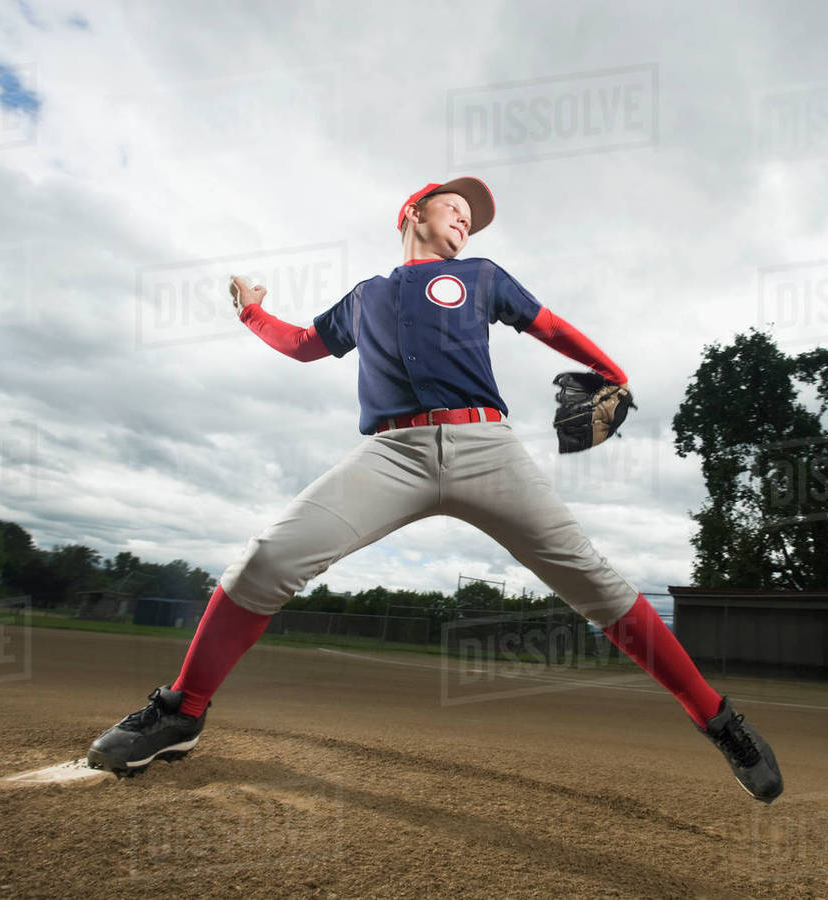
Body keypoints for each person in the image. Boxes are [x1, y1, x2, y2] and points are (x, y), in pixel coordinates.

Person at [87, 177, 784, 804]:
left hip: (487, 448)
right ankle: (182, 711)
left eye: (471, 218)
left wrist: (613, 370)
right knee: (265, 562)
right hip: (392, 454)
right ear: (413, 212)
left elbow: (549, 327)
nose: (466, 221)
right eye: (455, 207)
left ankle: (718, 720)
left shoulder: (479, 276)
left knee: (597, 584)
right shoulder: (366, 296)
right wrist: (252, 314)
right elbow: (303, 345)